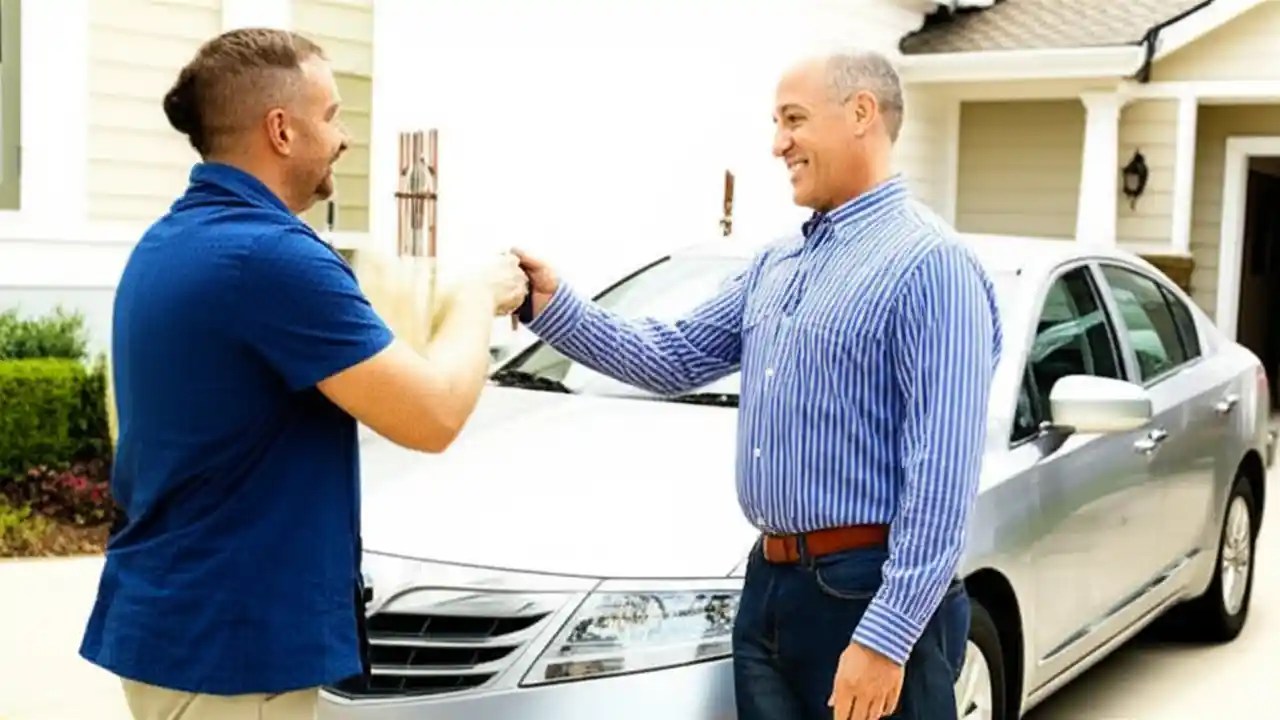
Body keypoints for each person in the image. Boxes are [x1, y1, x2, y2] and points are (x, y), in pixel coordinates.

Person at [514, 49, 1002, 720]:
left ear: (861, 113)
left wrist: (887, 639)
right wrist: (550, 305)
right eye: (776, 122)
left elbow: (942, 479)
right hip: (770, 588)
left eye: (794, 119)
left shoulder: (931, 266)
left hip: (868, 595)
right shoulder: (779, 260)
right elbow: (676, 355)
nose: (778, 144)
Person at [78, 28, 528, 720]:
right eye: (332, 115)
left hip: (181, 634)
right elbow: (432, 414)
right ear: (281, 130)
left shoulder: (174, 239)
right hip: (231, 656)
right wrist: (474, 297)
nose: (345, 136)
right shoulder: (269, 258)